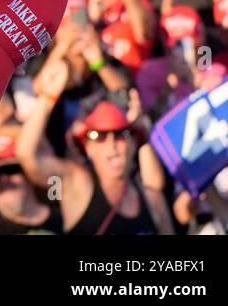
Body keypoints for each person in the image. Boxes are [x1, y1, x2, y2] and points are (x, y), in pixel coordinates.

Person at [18, 57, 173, 235]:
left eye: (121, 134)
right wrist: (47, 98)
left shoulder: (151, 198)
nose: (112, 144)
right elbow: (27, 156)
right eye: (98, 136)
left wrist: (142, 130)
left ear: (132, 144)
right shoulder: (78, 185)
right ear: (87, 148)